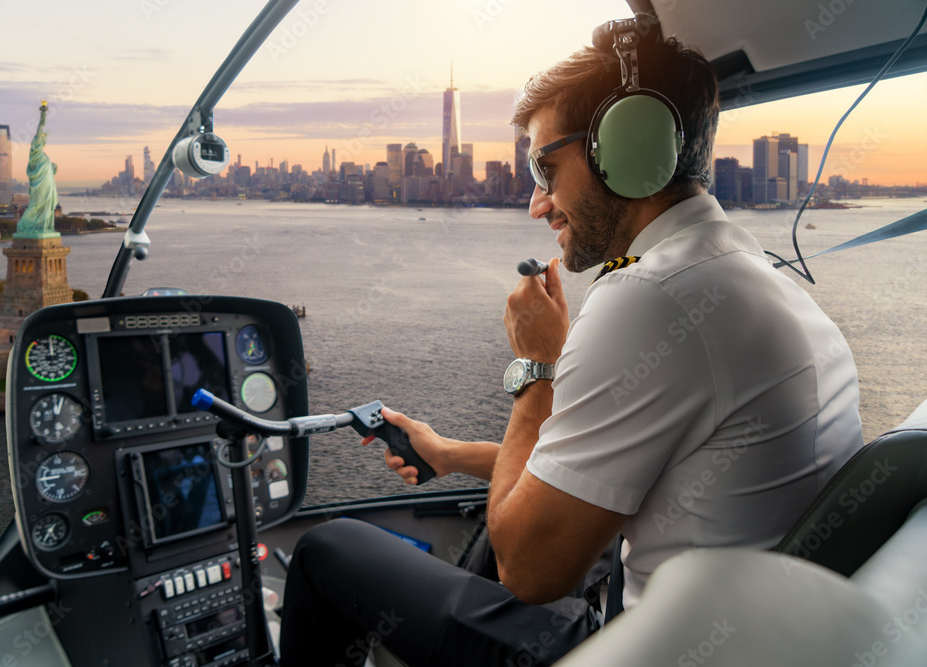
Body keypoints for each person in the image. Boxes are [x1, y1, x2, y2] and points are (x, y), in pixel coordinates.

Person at [279, 16, 863, 667]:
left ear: (629, 148)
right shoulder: (745, 272)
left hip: (642, 647)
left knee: (327, 552)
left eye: (545, 167)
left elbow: (529, 570)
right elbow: (597, 459)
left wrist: (538, 365)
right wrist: (448, 454)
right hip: (735, 634)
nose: (537, 204)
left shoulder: (650, 296)